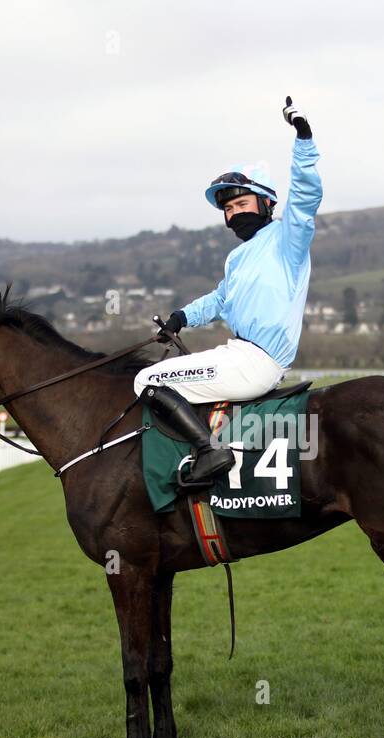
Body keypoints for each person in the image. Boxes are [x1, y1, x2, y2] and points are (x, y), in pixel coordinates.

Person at [134, 95, 321, 487]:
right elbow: (220, 299)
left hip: (257, 362)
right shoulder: (238, 258)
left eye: (240, 202)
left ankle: (209, 452)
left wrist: (303, 140)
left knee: (146, 381)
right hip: (238, 352)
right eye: (228, 208)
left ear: (267, 202)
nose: (233, 212)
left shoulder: (289, 238)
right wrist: (183, 317)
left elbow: (305, 197)